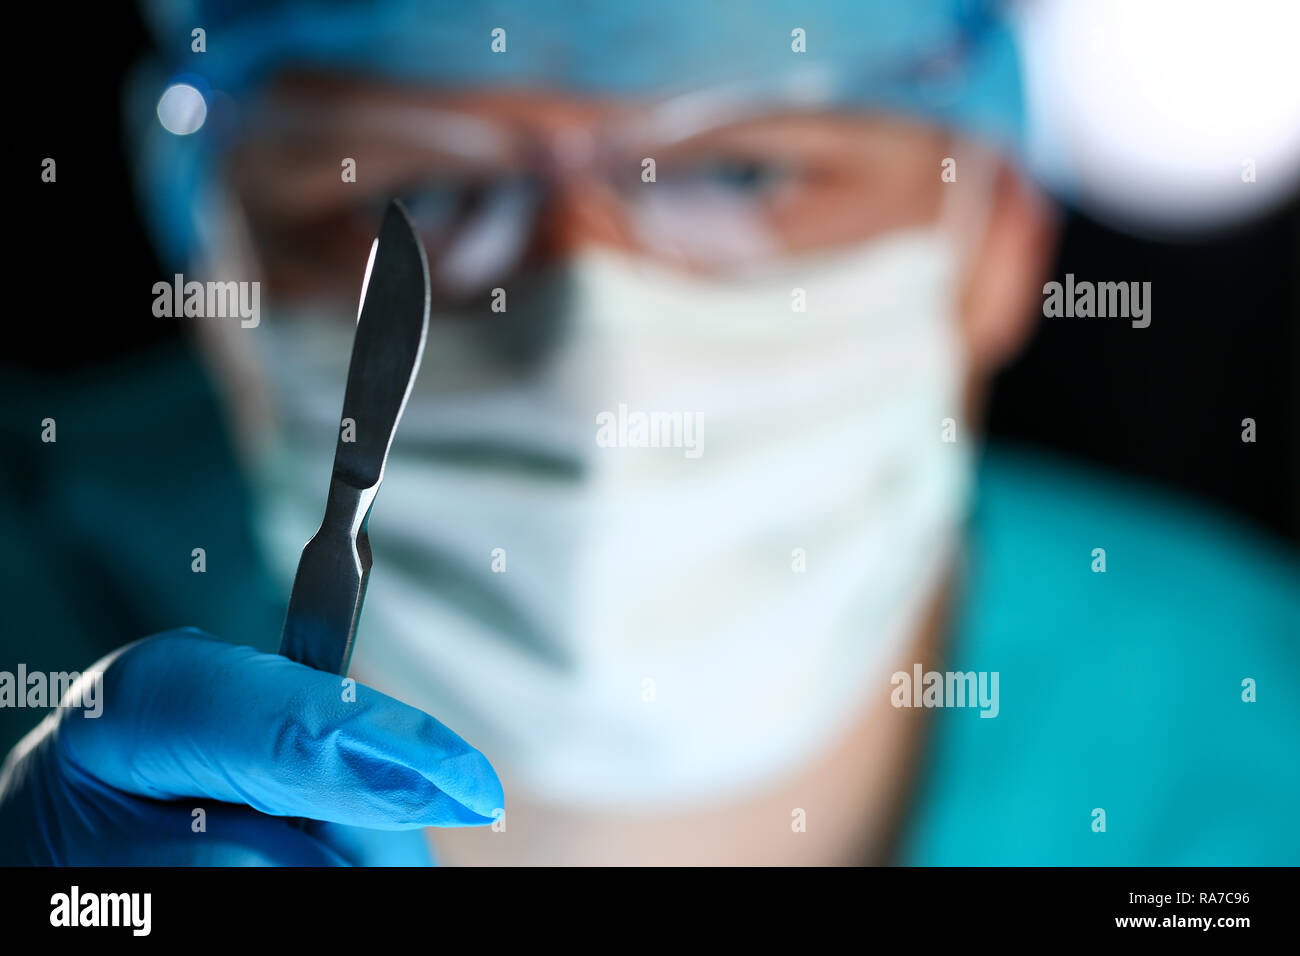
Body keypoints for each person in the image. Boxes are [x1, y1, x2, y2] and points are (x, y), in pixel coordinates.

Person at [2, 0, 1296, 866]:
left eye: (746, 171)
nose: (587, 323)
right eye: (423, 190)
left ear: (1001, 240)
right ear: (218, 274)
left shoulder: (1250, 726)